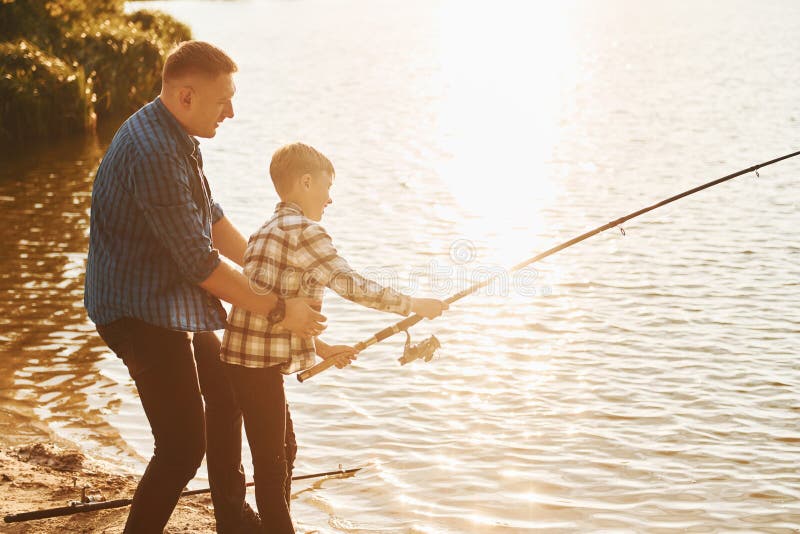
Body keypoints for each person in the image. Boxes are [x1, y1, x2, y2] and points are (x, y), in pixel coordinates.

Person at [84, 41, 327, 533]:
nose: (231, 113)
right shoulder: (153, 152)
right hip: (136, 313)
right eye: (223, 101)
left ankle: (232, 520)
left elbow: (209, 219)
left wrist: (264, 268)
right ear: (186, 96)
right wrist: (280, 308)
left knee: (225, 389)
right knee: (181, 447)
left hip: (166, 299)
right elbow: (201, 264)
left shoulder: (175, 133)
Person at [220, 142, 448, 532]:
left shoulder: (264, 230)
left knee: (284, 450)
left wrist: (321, 348)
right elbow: (351, 284)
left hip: (245, 361)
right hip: (257, 366)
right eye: (327, 186)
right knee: (272, 464)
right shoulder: (305, 231)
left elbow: (270, 311)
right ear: (306, 182)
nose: (330, 198)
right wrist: (413, 304)